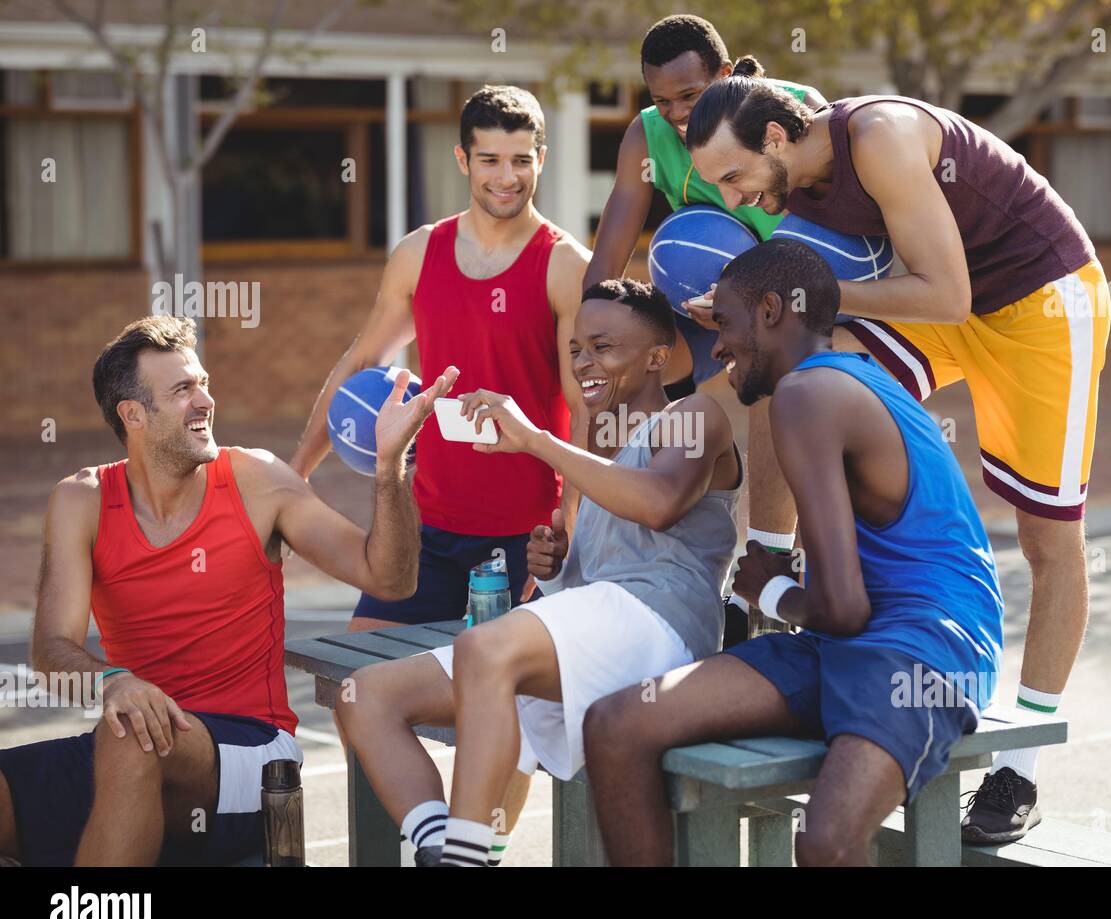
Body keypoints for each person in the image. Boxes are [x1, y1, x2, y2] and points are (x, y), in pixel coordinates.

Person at [685, 78, 1111, 841]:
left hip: (1040, 299)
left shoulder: (877, 136)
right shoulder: (792, 183)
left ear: (777, 140)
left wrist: (806, 293)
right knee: (789, 377)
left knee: (1049, 535)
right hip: (942, 303)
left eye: (734, 175)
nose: (735, 196)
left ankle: (1020, 771)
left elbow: (945, 294)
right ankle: (765, 592)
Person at [583, 241, 1003, 866]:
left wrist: (769, 589)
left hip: (925, 646)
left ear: (773, 310)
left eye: (724, 323)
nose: (718, 347)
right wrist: (784, 591)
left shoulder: (808, 396)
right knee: (617, 726)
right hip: (845, 641)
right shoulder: (832, 382)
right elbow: (842, 610)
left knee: (826, 845)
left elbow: (841, 605)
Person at [0, 315, 445, 866]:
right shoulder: (82, 500)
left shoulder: (257, 480)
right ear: (133, 415)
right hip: (136, 742)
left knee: (133, 739)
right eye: (184, 389)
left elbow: (390, 578)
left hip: (252, 751)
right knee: (123, 741)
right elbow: (51, 650)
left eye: (204, 383)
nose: (205, 401)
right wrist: (114, 683)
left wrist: (388, 467)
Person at [335, 278, 741, 866]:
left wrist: (536, 440)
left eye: (604, 347)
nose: (583, 362)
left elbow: (660, 502)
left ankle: (463, 859)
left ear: (658, 357)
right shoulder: (598, 454)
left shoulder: (696, 414)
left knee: (484, 648)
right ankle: (439, 845)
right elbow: (597, 582)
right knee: (365, 695)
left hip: (667, 629)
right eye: (576, 348)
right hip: (603, 633)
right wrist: (555, 569)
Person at [289, 85, 591, 861]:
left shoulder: (563, 265)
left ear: (541, 160)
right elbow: (361, 365)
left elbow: (586, 413)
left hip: (523, 538)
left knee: (508, 721)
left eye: (521, 160)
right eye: (489, 159)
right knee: (354, 690)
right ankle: (433, 835)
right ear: (462, 159)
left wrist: (568, 526)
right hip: (425, 529)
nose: (505, 175)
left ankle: (476, 850)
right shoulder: (419, 252)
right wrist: (294, 481)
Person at [584, 14, 824, 644]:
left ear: (726, 77)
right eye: (662, 101)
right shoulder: (646, 137)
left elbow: (839, 243)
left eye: (690, 97)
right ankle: (617, 560)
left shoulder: (793, 116)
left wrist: (749, 294)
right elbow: (609, 252)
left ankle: (768, 571)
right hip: (697, 299)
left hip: (797, 293)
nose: (677, 115)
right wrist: (596, 347)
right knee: (626, 374)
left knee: (774, 380)